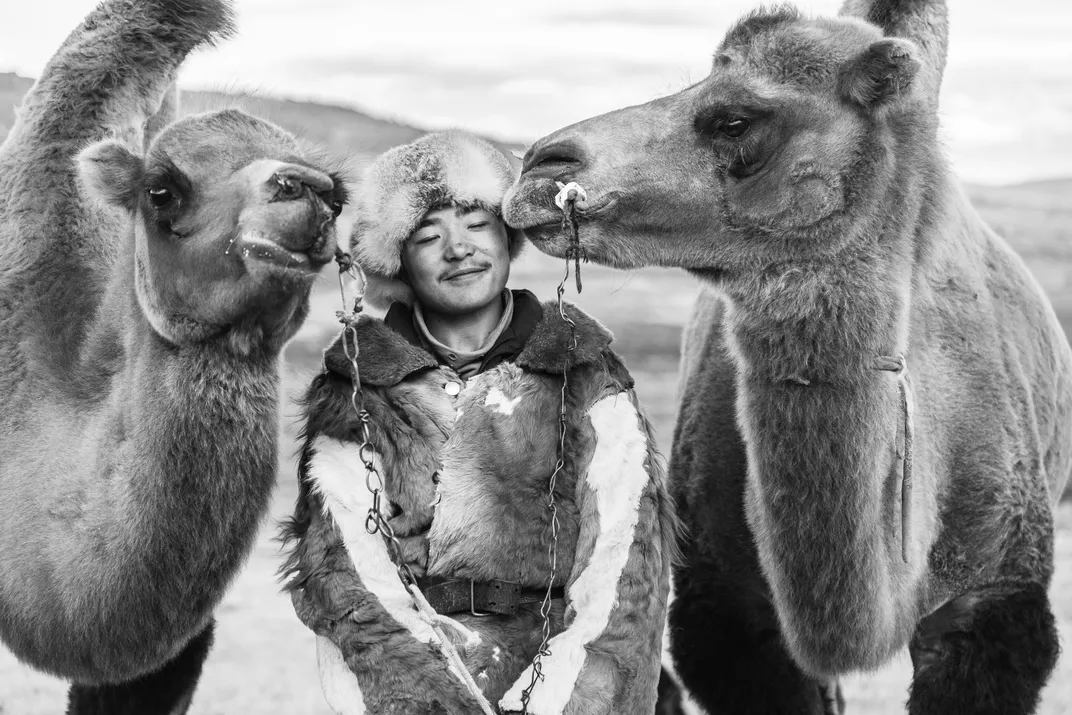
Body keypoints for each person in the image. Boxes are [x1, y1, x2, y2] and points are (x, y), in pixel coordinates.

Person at [282, 130, 678, 714]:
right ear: (398, 261)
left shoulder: (581, 369)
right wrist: (432, 700)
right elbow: (346, 572)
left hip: (560, 666)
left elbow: (623, 561)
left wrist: (561, 700)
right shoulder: (360, 386)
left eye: (475, 222)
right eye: (426, 234)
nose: (457, 248)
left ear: (506, 234)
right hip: (414, 677)